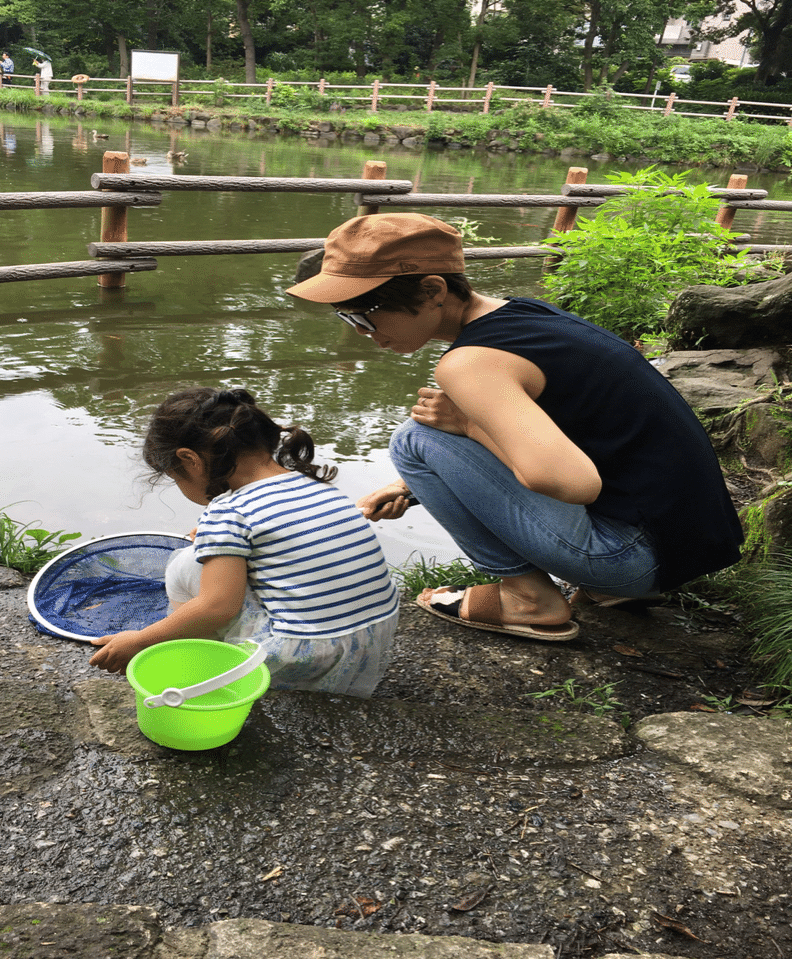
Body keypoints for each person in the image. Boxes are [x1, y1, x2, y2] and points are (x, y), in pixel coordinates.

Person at [286, 213, 744, 641]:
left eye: (363, 313)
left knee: (415, 439)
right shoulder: (523, 316)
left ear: (431, 290)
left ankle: (529, 599)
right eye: (346, 316)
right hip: (683, 546)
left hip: (628, 556)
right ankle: (610, 589)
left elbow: (575, 482)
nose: (359, 330)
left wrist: (467, 425)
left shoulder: (469, 363)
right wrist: (412, 487)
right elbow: (550, 436)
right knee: (432, 441)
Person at [89, 386, 400, 697]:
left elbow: (217, 607)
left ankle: (197, 657)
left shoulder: (228, 509)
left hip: (300, 657)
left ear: (189, 459)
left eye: (175, 476)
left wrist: (142, 639)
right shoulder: (318, 486)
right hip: (369, 644)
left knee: (185, 565)